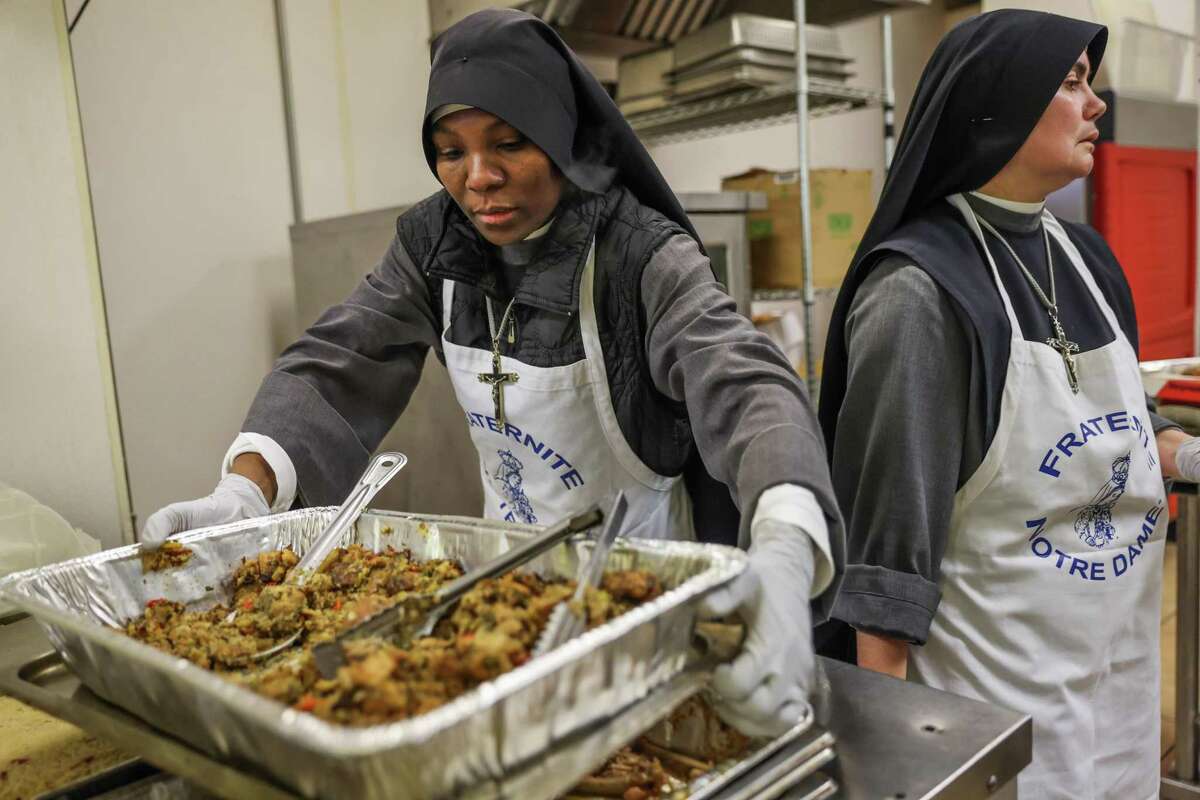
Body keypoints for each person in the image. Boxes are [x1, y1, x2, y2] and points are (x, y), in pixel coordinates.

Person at [141, 8, 845, 737]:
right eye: (451, 151)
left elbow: (747, 385)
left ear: (561, 137)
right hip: (507, 600)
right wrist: (245, 491)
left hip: (645, 606)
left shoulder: (641, 256)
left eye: (509, 143)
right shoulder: (436, 244)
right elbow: (339, 361)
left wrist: (787, 549)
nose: (478, 178)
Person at [820, 9, 1200, 797]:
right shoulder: (920, 294)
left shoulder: (1087, 257)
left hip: (1118, 701)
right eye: (1072, 82)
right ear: (999, 103)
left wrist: (1186, 452)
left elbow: (1123, 423)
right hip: (994, 727)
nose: (1096, 104)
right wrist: (890, 764)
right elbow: (886, 566)